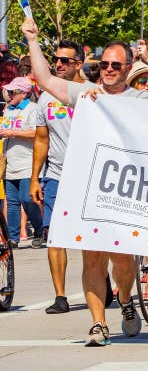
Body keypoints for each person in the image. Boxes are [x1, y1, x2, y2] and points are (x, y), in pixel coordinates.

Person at [21, 17, 148, 346]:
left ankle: (126, 302)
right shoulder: (86, 94)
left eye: (116, 65)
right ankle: (98, 324)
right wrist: (33, 40)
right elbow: (45, 79)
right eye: (104, 64)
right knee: (92, 256)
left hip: (125, 189)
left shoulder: (142, 101)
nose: (109, 69)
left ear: (128, 67)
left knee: (121, 259)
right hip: (88, 188)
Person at [29, 40, 85, 314]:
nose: (58, 64)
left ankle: (101, 278)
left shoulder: (90, 94)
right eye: (56, 60)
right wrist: (34, 178)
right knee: (54, 236)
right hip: (56, 176)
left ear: (78, 64)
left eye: (65, 60)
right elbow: (41, 140)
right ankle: (60, 296)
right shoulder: (45, 98)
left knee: (90, 239)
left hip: (88, 177)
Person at [1, 76, 43, 248]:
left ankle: (40, 230)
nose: (9, 94)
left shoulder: (33, 109)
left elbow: (36, 133)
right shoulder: (8, 109)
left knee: (27, 198)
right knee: (11, 202)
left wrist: (12, 133)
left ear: (24, 93)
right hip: (10, 163)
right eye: (8, 91)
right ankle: (13, 237)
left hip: (28, 163)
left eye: (12, 91)